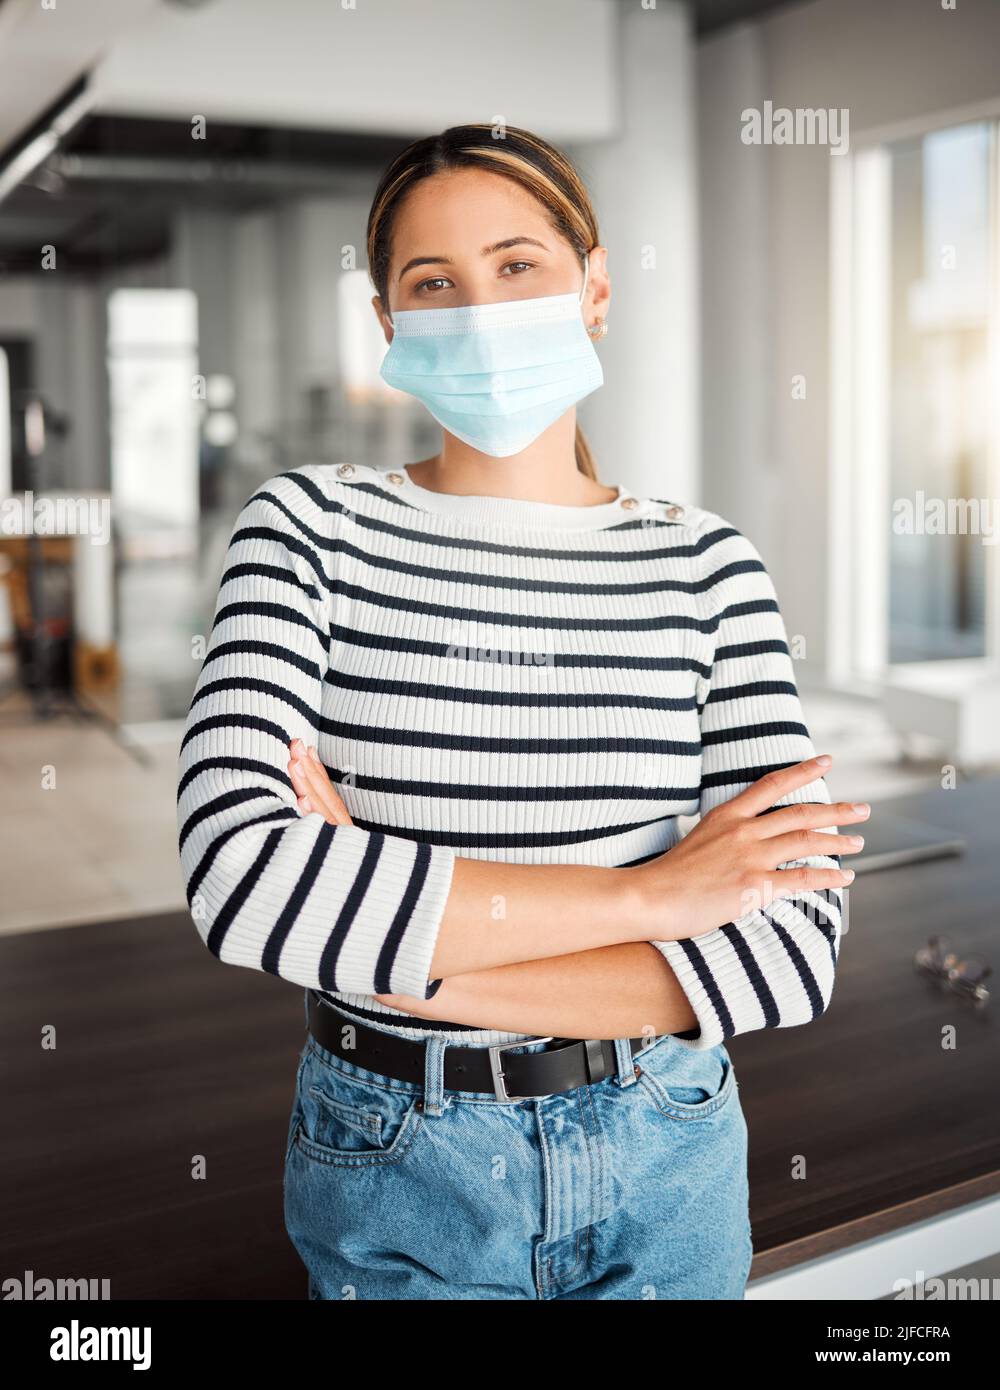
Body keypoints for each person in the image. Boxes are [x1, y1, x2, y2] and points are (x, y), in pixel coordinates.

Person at [175, 123, 867, 1300]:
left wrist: (398, 966)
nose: (478, 311)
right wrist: (652, 899)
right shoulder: (310, 530)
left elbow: (786, 956)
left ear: (594, 290)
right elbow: (243, 879)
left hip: (668, 1141)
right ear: (389, 325)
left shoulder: (705, 565)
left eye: (516, 266)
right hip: (395, 1156)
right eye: (432, 283)